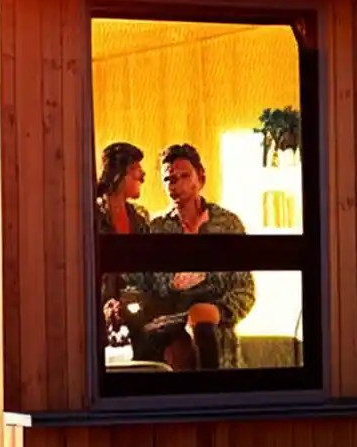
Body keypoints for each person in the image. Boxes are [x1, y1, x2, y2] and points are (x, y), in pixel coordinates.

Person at [142, 143, 255, 370]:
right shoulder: (156, 228)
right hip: (171, 339)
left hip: (220, 339)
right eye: (169, 179)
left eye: (184, 176)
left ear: (200, 178)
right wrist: (171, 284)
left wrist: (218, 312)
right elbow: (147, 286)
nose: (176, 184)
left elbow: (245, 289)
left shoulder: (227, 224)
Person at [94, 142, 156, 355]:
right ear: (120, 174)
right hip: (95, 307)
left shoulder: (140, 217)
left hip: (133, 307)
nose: (143, 178)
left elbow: (147, 265)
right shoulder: (92, 213)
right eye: (139, 172)